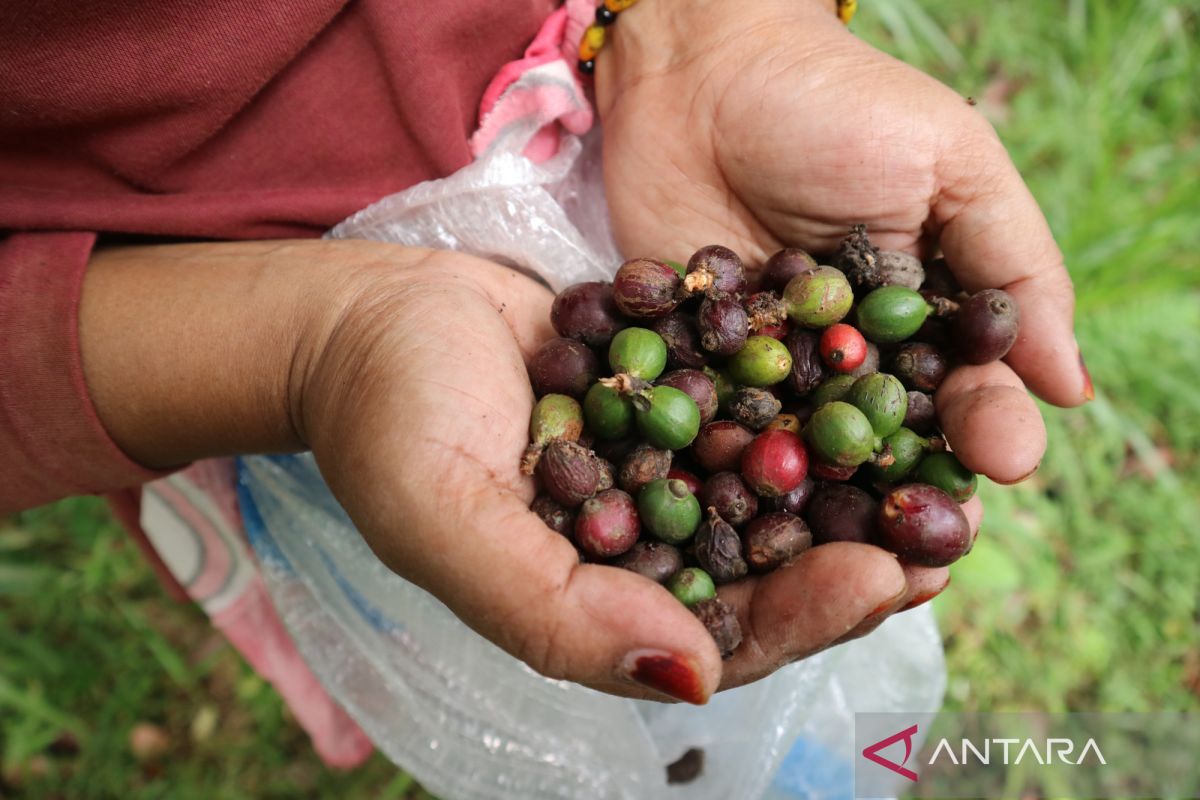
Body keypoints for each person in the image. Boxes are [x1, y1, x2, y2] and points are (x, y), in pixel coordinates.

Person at [1, 0, 1088, 745]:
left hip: (617, 118)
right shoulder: (651, 400)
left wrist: (712, 22)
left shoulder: (759, 366)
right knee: (487, 586)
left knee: (719, 658)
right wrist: (307, 350)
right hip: (195, 314)